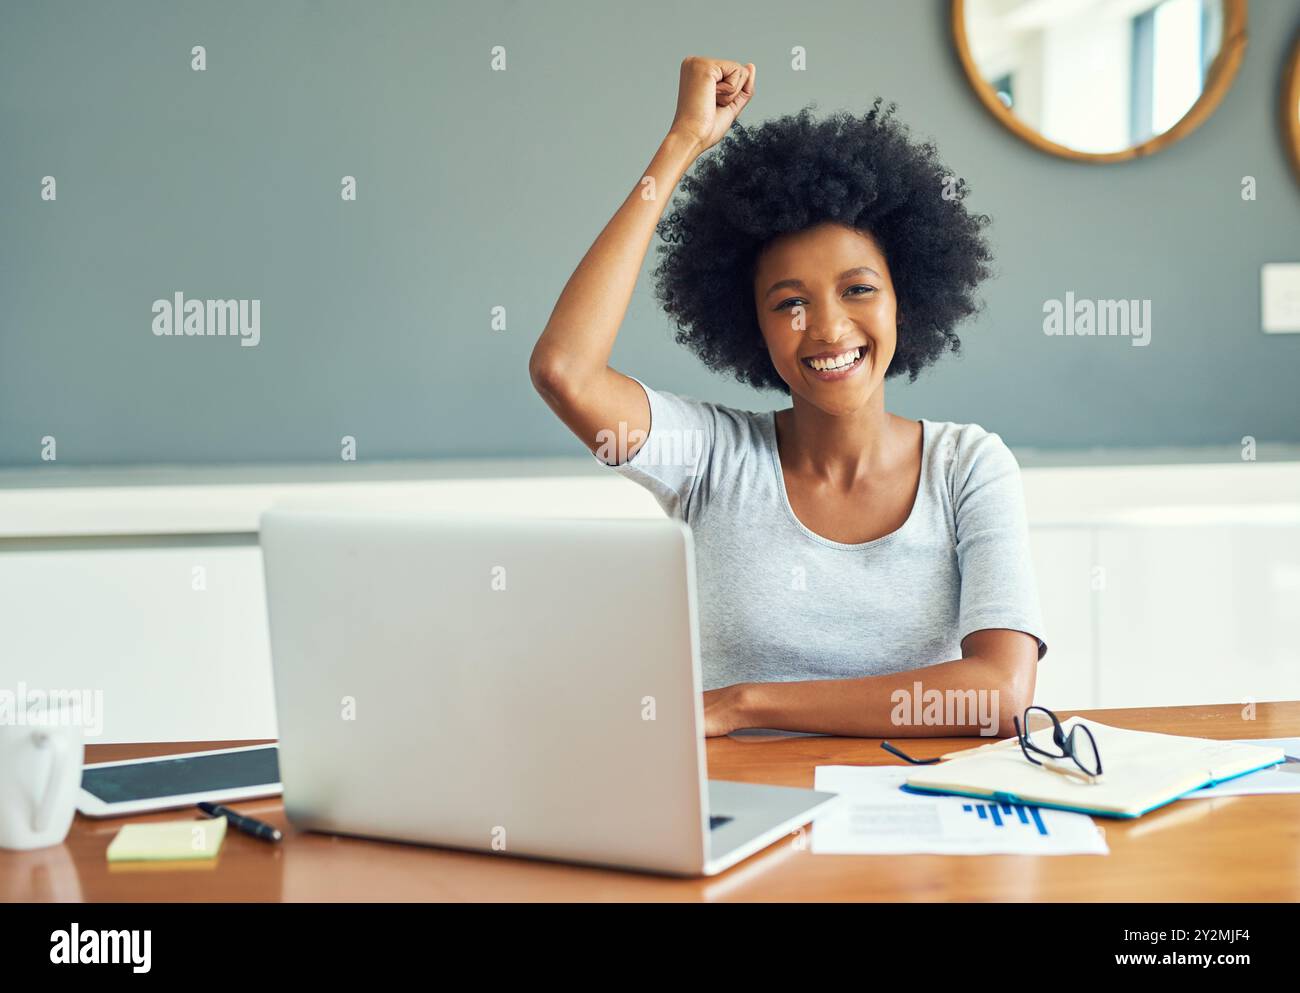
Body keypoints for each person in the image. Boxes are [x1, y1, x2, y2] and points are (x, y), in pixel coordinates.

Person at [530, 57, 1046, 739]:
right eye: (789, 302)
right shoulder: (710, 457)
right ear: (754, 326)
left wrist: (747, 703)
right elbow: (566, 369)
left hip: (914, 821)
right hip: (743, 819)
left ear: (905, 301)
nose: (828, 328)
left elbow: (1000, 694)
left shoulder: (969, 466)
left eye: (859, 289)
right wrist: (683, 141)